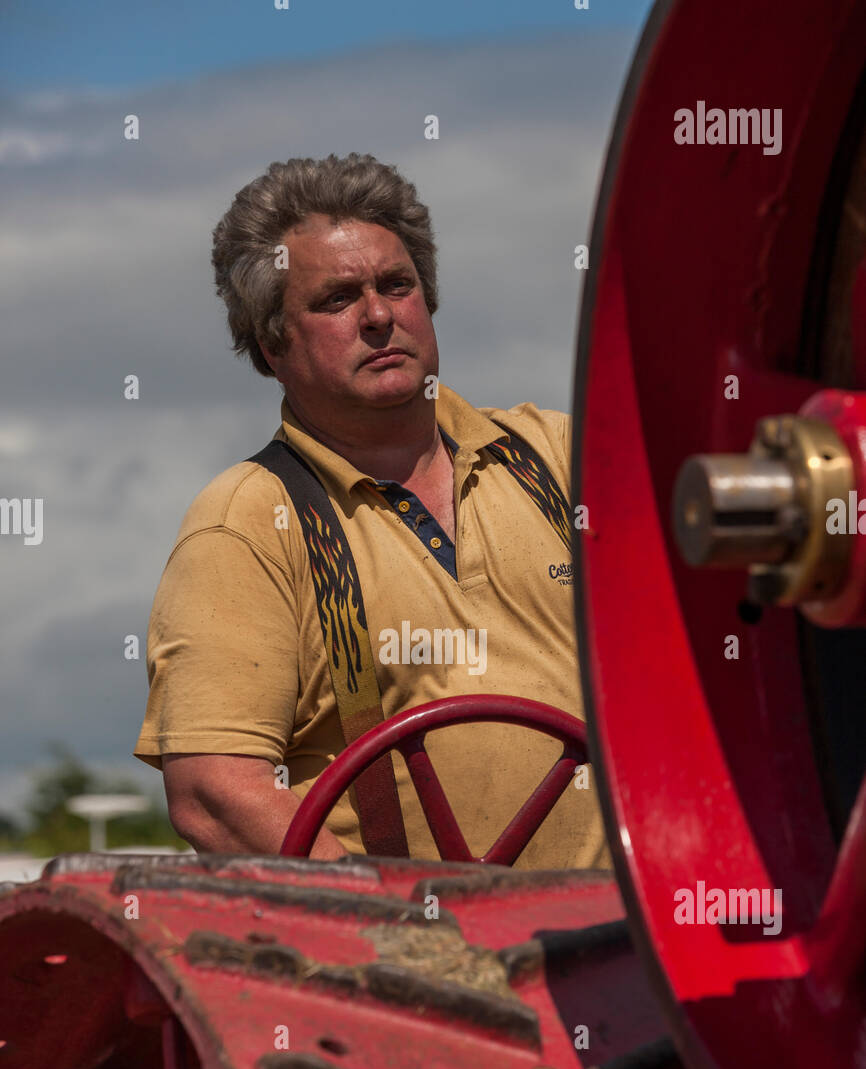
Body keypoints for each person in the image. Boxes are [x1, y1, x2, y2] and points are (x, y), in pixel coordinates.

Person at [134, 152, 610, 868]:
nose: (380, 315)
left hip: (631, 938)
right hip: (418, 961)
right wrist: (397, 931)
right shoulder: (248, 523)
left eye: (397, 285)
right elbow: (215, 792)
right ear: (270, 344)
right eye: (336, 299)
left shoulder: (560, 459)